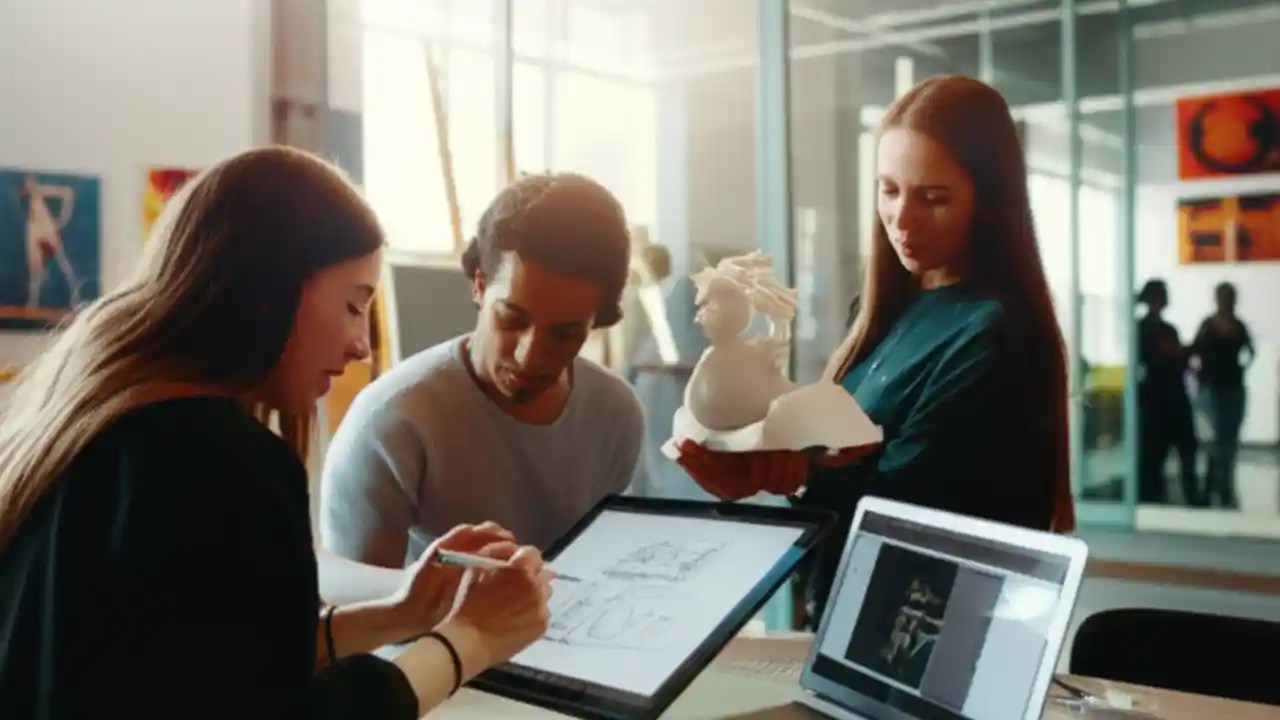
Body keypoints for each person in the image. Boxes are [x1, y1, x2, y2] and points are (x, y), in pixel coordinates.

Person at [0, 147, 553, 719]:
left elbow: (214, 666)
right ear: (269, 287)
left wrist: (399, 612)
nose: (361, 343)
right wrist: (470, 642)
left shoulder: (108, 425)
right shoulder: (221, 461)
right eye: (351, 305)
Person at [675, 76, 1074, 626]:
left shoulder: (994, 331)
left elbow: (916, 507)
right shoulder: (882, 311)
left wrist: (793, 473)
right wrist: (778, 464)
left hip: (925, 630)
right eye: (889, 190)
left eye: (933, 198)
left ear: (990, 201)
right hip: (847, 614)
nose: (902, 220)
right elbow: (849, 476)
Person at [320, 172, 646, 573]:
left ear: (597, 321)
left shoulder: (616, 413)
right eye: (512, 319)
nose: (530, 356)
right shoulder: (391, 420)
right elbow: (353, 611)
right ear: (479, 285)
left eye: (564, 334)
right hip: (427, 635)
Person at [1136, 279, 1201, 506]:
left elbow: (1177, 359)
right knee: (1155, 453)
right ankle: (1154, 497)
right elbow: (1161, 357)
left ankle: (1189, 496)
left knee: (1186, 448)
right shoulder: (1144, 329)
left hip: (1171, 396)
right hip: (1157, 398)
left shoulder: (1166, 329)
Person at [1191, 281, 1254, 508]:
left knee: (1229, 438)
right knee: (1214, 438)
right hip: (1212, 387)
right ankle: (1210, 483)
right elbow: (1194, 350)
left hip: (1233, 387)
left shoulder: (1238, 326)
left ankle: (1225, 484)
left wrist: (1240, 369)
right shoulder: (1209, 326)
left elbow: (1250, 351)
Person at [21, 174, 82, 309]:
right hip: (35, 233)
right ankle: (32, 303)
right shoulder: (27, 207)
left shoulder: (39, 192)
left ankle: (76, 298)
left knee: (64, 266)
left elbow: (67, 192)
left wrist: (63, 218)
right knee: (35, 272)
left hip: (46, 231)